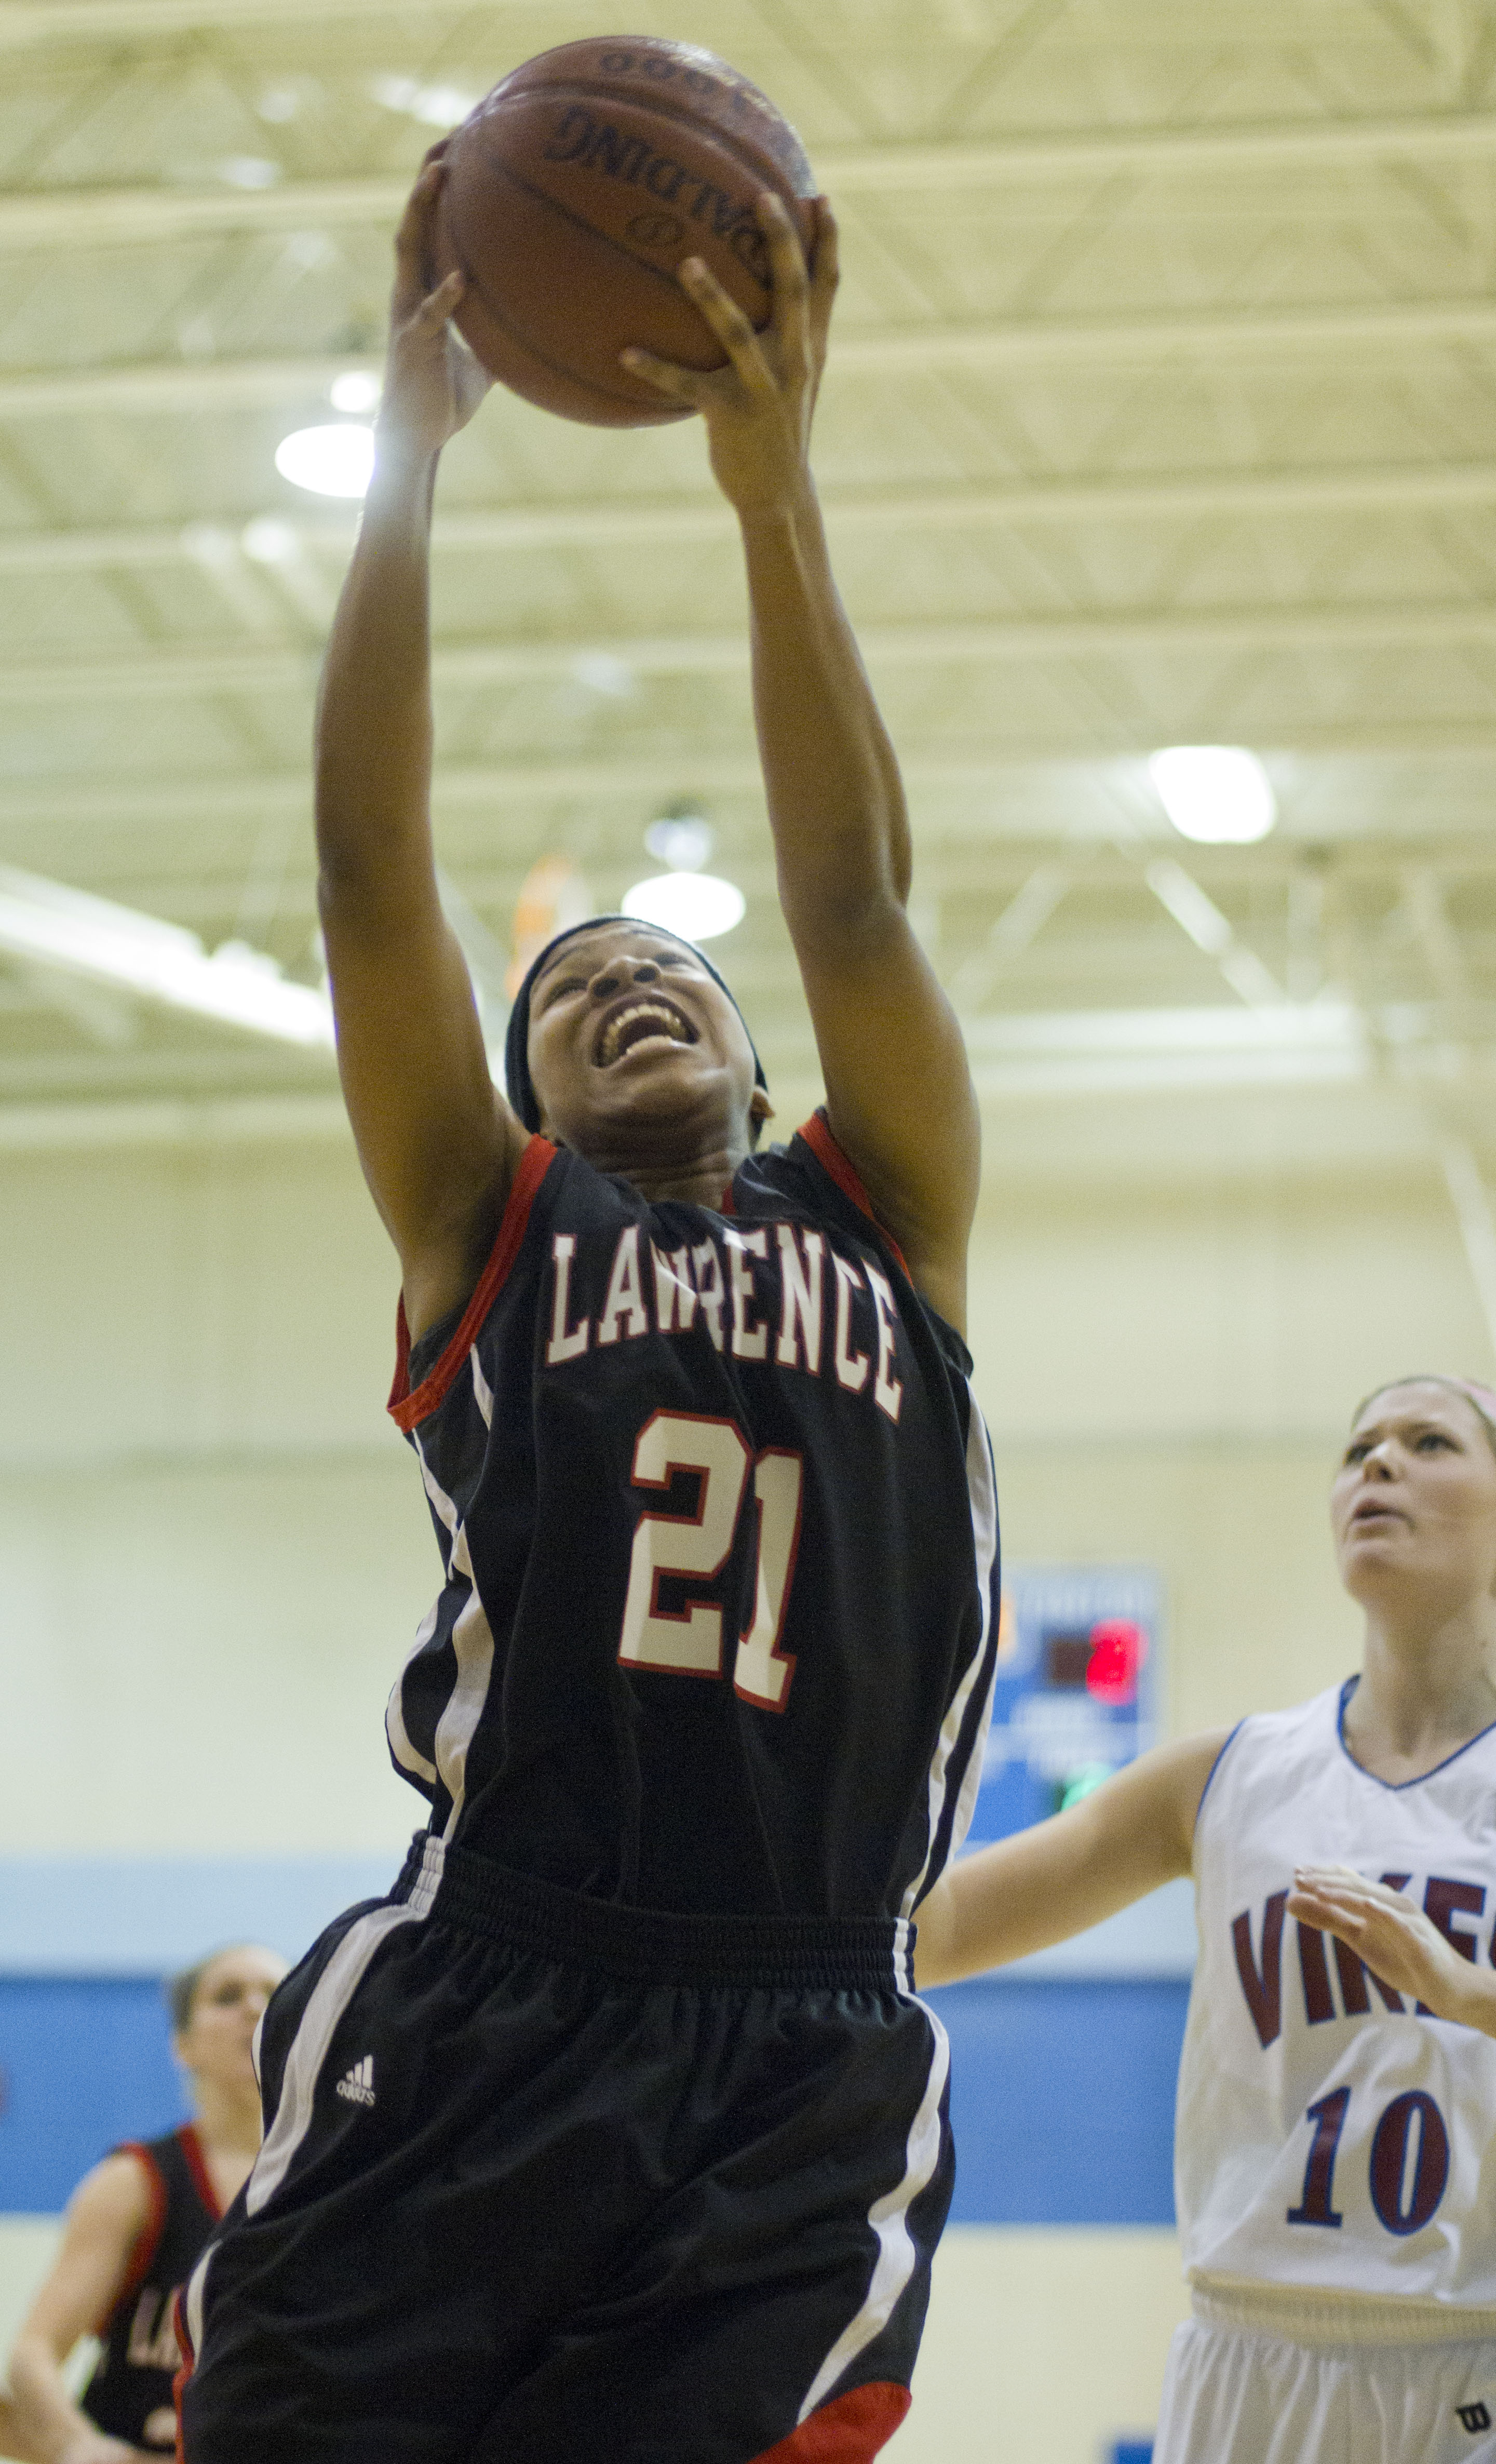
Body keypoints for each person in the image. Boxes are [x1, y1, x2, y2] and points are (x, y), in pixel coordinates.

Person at [176, 146, 996, 2464]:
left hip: (804, 2045)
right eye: (574, 998)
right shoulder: (495, 1228)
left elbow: (849, 890)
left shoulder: (889, 1211)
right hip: (486, 1994)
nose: (630, 992)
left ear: (753, 1060)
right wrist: (407, 469)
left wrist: (772, 497)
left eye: (671, 980)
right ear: (527, 1094)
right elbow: (365, 881)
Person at [915, 1371, 1496, 2463]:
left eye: (1429, 1440)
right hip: (1252, 2351)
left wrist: (1468, 1993)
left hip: (1476, 2343)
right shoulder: (1226, 1774)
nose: (1378, 1461)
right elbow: (934, 1931)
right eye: (1359, 1444)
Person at [4, 1945, 284, 2464]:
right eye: (228, 1995)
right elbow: (33, 2353)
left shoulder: (331, 2183)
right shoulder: (135, 2180)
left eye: (273, 1993)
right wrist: (78, 2446)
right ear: (183, 2044)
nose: (254, 2006)